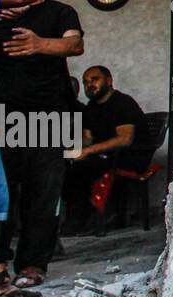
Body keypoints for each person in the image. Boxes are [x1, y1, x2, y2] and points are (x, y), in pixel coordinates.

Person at [0, 0, 84, 292]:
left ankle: (33, 265)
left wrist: (40, 44)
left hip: (49, 115)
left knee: (43, 195)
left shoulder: (60, 12)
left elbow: (75, 43)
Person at [62, 66, 149, 232]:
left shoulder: (122, 102)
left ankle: (79, 220)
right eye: (86, 82)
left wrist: (87, 152)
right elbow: (87, 138)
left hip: (130, 156)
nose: (90, 85)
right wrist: (72, 151)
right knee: (64, 166)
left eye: (95, 79)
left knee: (80, 170)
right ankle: (80, 217)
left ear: (109, 81)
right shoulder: (91, 107)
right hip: (105, 155)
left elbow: (125, 139)